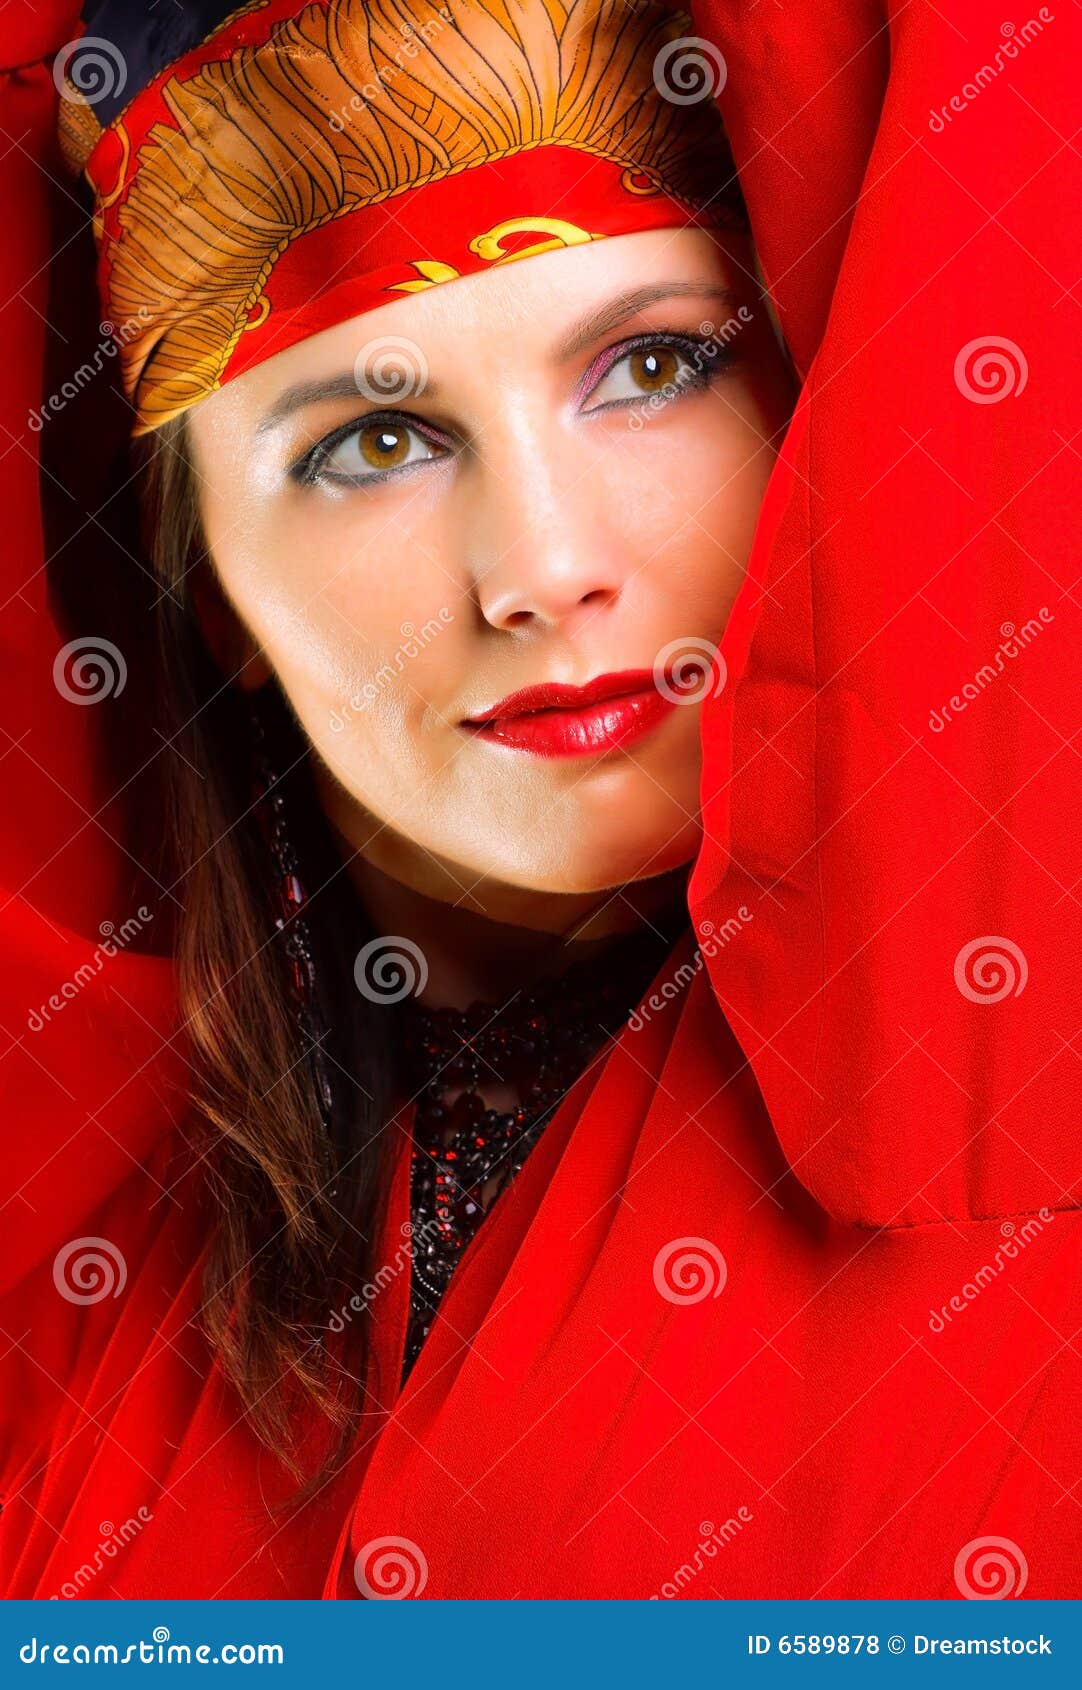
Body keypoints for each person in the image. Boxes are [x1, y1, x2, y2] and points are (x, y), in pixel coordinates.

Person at [1, 0, 1078, 1602]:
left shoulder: (1012, 1126)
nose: (546, 566)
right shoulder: (85, 1290)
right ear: (208, 592)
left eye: (652, 364)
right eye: (375, 438)